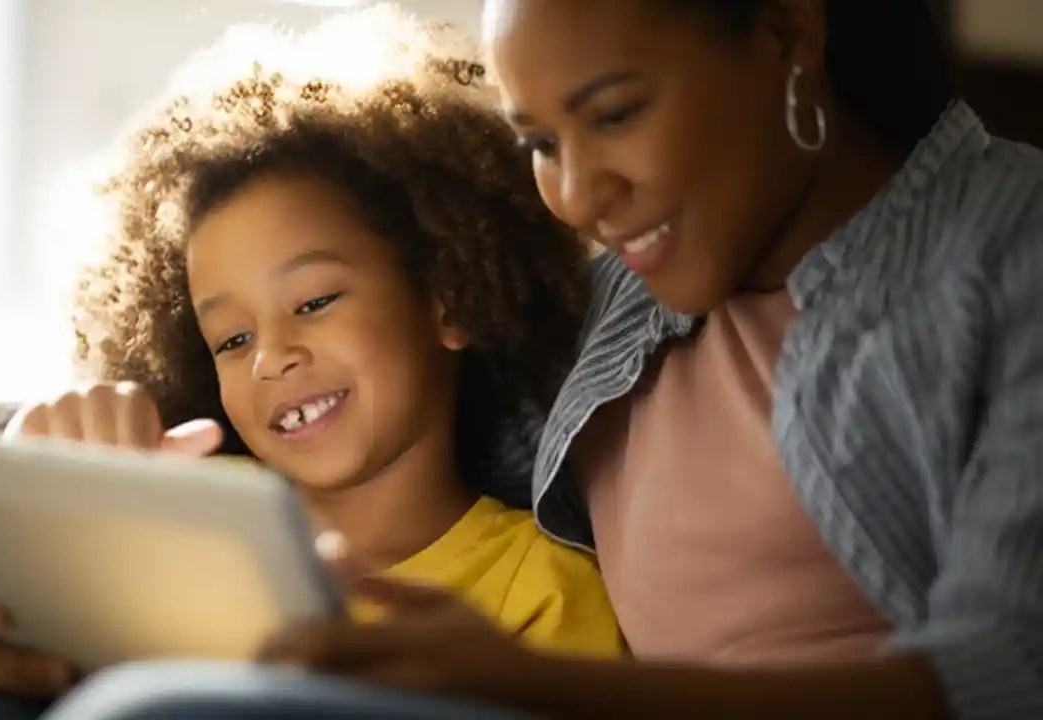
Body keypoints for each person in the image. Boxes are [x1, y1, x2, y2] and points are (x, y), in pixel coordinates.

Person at [0, 6, 617, 719]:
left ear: (451, 300)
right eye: (231, 340)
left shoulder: (542, 584)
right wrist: (24, 529)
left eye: (313, 302)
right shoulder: (176, 515)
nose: (273, 355)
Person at [253, 0, 1043, 718]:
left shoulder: (1014, 251)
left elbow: (1003, 676)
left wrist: (537, 686)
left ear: (785, 34)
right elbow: (411, 456)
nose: (577, 196)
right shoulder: (612, 310)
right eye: (540, 143)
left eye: (616, 114)